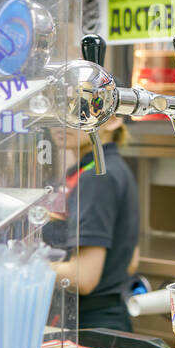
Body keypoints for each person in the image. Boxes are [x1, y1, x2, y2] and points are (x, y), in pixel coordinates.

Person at [43, 116, 140, 331]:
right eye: (58, 108)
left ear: (113, 120)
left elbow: (84, 278)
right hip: (108, 320)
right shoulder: (107, 168)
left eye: (79, 110)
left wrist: (22, 264)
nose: (62, 121)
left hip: (90, 327)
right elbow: (131, 260)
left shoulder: (97, 176)